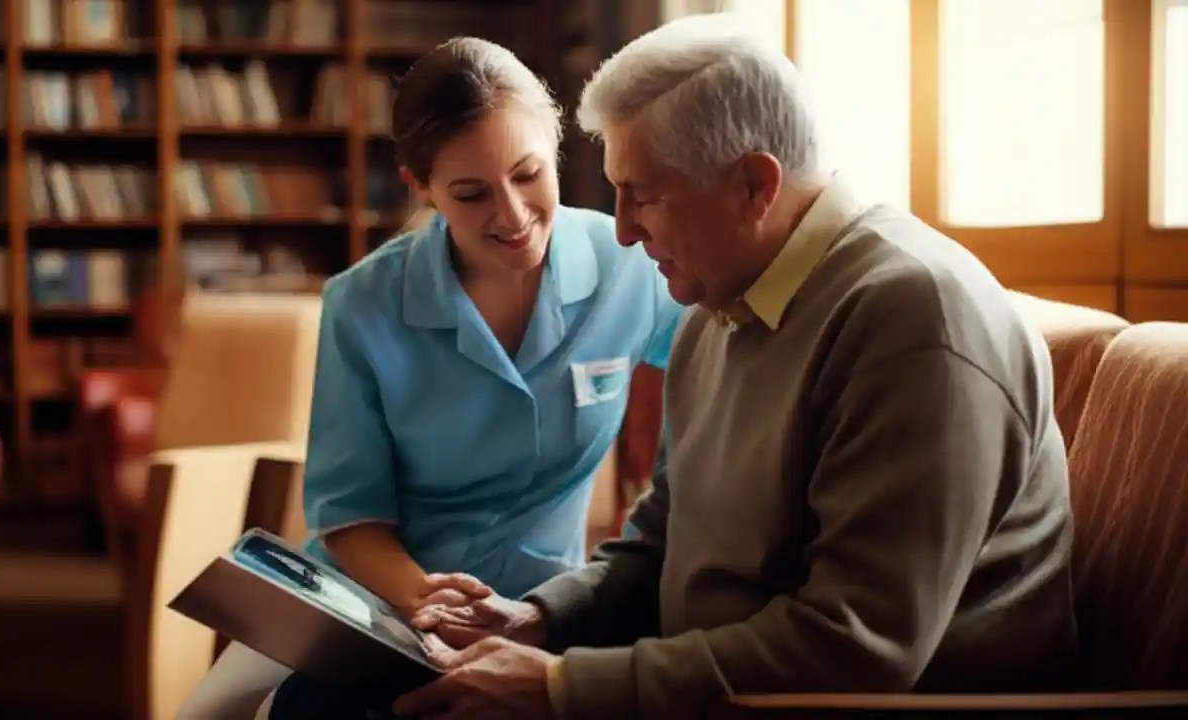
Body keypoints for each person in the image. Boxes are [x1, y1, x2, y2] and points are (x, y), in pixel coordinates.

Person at [388, 13, 1079, 720]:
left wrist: (561, 688)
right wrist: (538, 619)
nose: (622, 230)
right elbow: (662, 536)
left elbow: (855, 647)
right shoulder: (717, 307)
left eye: (645, 194)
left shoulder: (913, 320)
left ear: (754, 185)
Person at [177, 36, 682, 719]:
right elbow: (349, 517)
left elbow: (728, 363)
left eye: (529, 173)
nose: (511, 215)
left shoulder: (631, 267)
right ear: (423, 189)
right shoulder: (361, 304)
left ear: (557, 143)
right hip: (373, 598)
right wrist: (421, 599)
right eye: (471, 194)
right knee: (213, 715)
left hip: (543, 605)